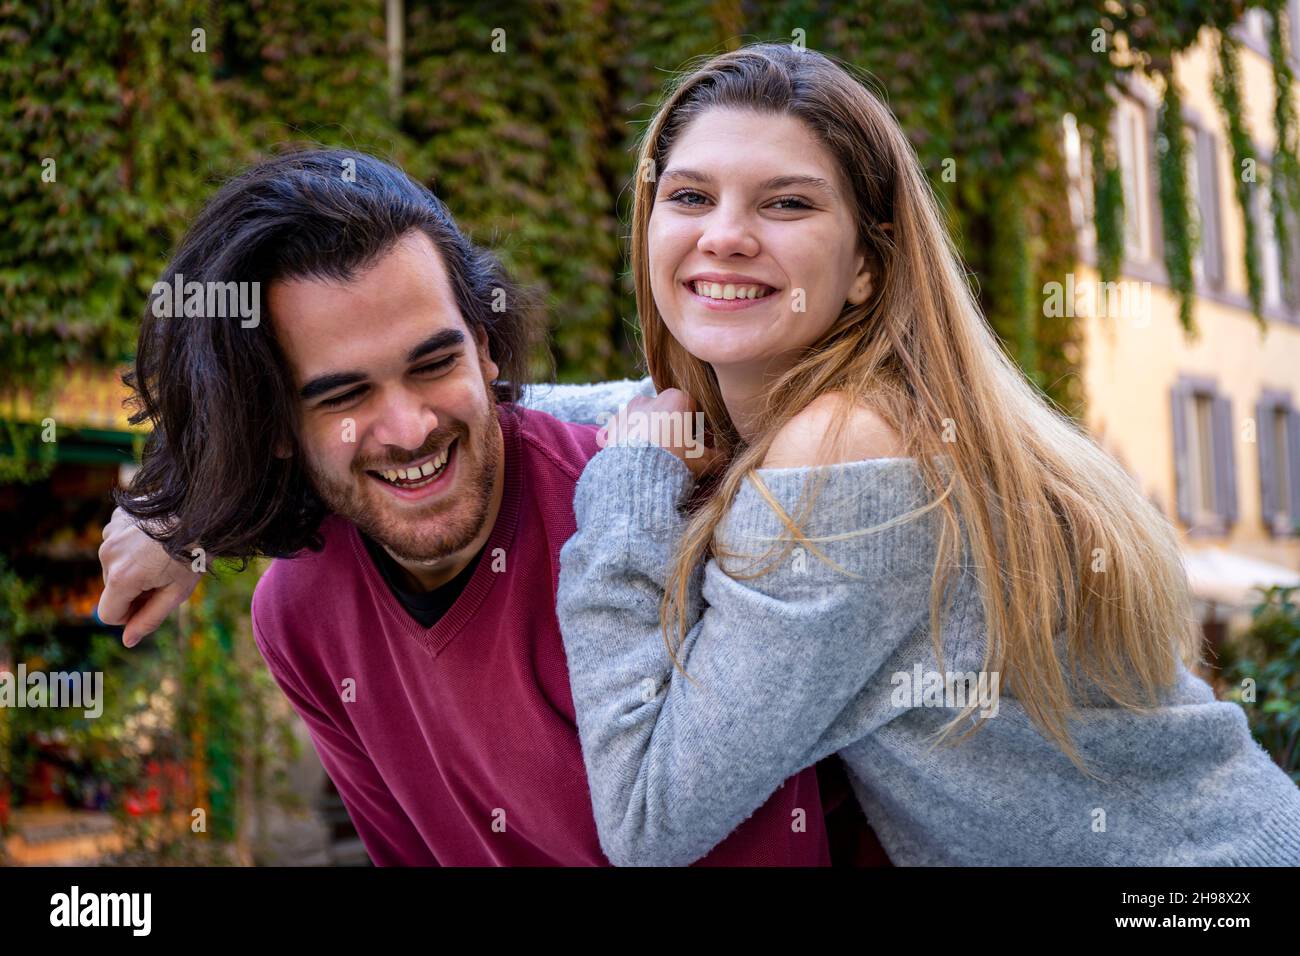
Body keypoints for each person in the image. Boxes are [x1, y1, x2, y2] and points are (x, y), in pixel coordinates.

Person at [552, 43, 1300, 866]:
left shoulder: (841, 451)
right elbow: (631, 404)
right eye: (691, 195)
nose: (725, 235)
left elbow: (648, 818)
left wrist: (630, 476)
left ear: (867, 267)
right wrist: (489, 401)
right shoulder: (875, 414)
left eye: (787, 204)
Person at [95, 147, 846, 866]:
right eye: (345, 396)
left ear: (485, 350)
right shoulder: (297, 614)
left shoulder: (657, 514)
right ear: (277, 425)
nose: (410, 427)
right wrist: (177, 505)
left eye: (435, 363)